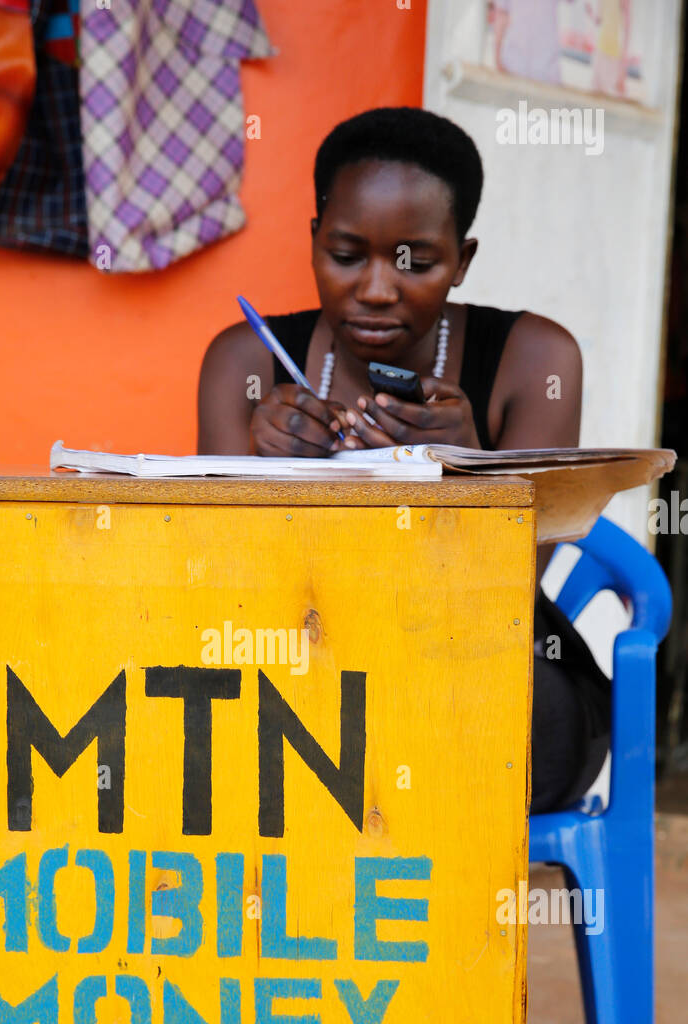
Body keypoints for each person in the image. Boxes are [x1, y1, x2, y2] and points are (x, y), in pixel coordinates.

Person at [197, 106, 610, 814]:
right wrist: (264, 473)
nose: (378, 289)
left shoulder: (535, 360)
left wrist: (469, 472)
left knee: (411, 734)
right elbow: (221, 577)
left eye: (416, 261)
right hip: (302, 681)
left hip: (487, 690)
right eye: (347, 255)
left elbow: (505, 594)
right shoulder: (244, 361)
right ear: (314, 242)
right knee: (208, 730)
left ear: (464, 260)